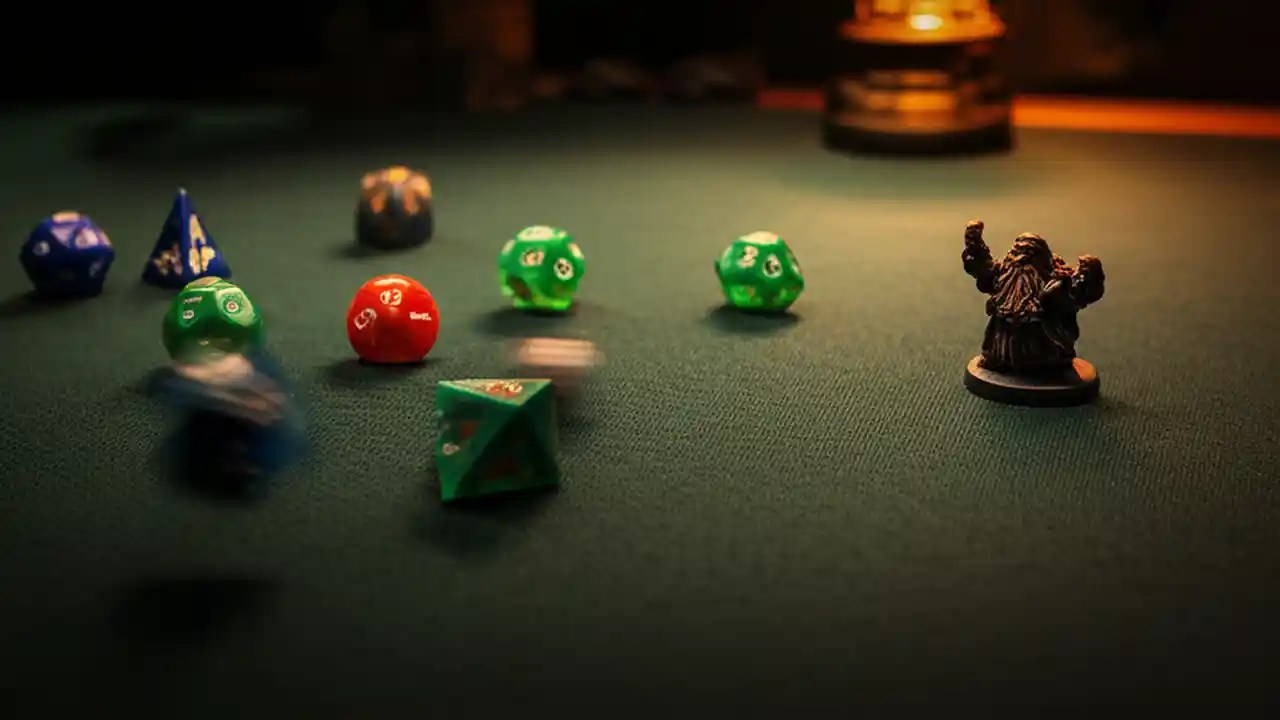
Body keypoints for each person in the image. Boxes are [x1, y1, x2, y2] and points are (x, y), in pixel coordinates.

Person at [961, 220, 1105, 375]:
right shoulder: (1004, 278)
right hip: (1002, 347)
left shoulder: (1056, 285)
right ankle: (1001, 361)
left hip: (1045, 352)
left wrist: (1089, 272)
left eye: (1027, 258)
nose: (1021, 263)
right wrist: (974, 245)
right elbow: (982, 267)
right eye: (1016, 255)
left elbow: (1081, 292)